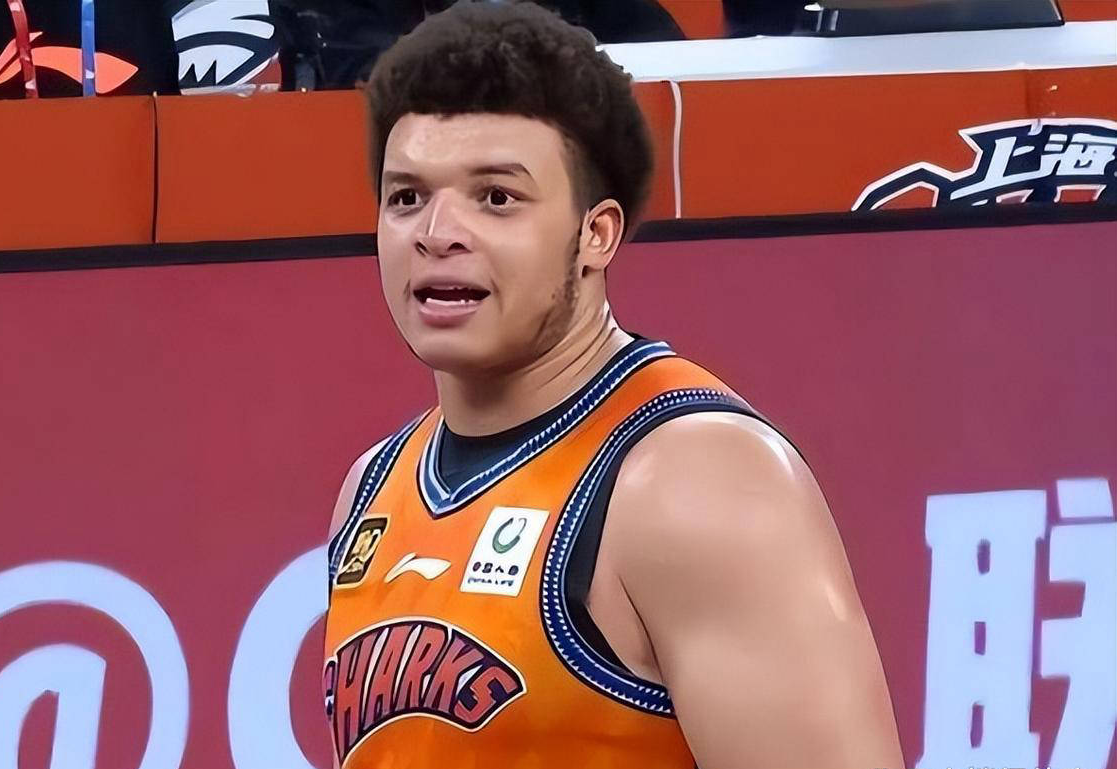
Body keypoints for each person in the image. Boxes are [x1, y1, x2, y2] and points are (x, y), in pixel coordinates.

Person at [322, 2, 905, 766]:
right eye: (407, 197)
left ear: (595, 234)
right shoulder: (371, 489)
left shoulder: (693, 480)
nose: (436, 234)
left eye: (496, 197)